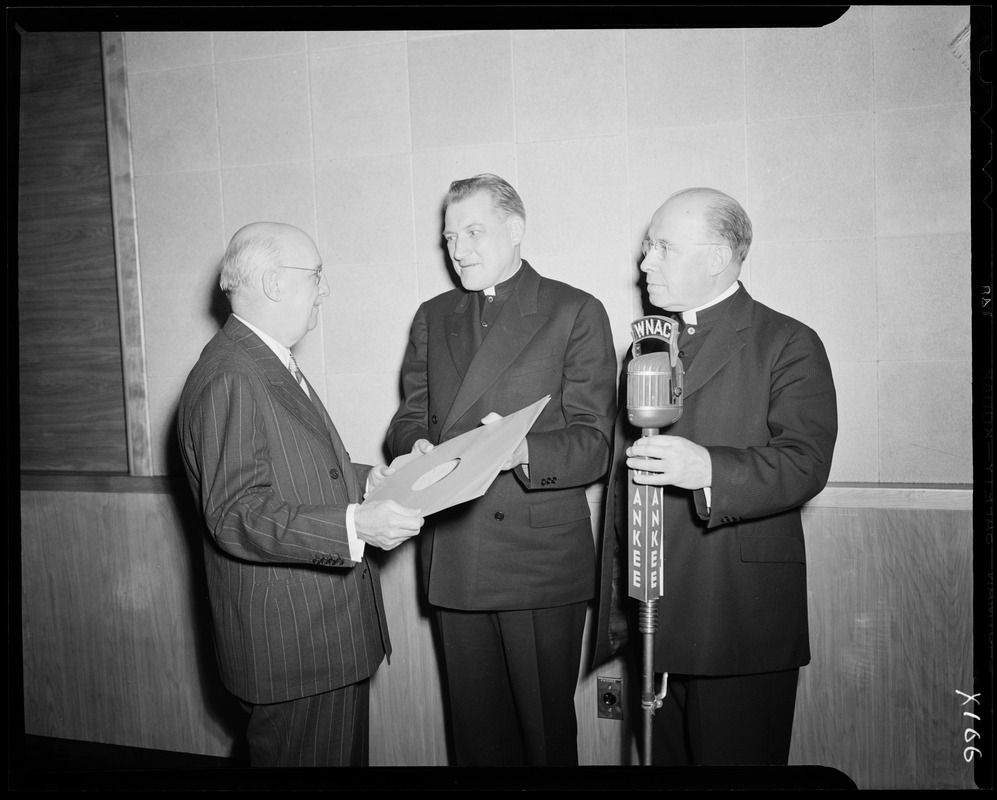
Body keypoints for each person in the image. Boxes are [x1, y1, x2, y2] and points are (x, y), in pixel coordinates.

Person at [593, 188, 837, 766]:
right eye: (648, 246)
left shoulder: (788, 342)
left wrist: (706, 468)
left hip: (739, 619)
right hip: (657, 614)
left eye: (662, 247)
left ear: (717, 257)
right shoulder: (647, 347)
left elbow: (807, 461)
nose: (645, 261)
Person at [385, 174, 617, 766]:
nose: (458, 249)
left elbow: (594, 444)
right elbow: (409, 417)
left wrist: (521, 451)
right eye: (449, 236)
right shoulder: (433, 316)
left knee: (543, 741)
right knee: (477, 742)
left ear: (515, 231)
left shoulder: (574, 311)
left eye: (474, 232)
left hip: (535, 562)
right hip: (456, 552)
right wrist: (413, 448)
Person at [177, 222, 425, 767]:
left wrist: (368, 481)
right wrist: (355, 526)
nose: (324, 290)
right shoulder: (233, 375)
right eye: (316, 276)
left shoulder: (260, 362)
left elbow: (289, 469)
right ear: (273, 283)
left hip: (314, 646)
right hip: (298, 653)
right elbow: (237, 512)